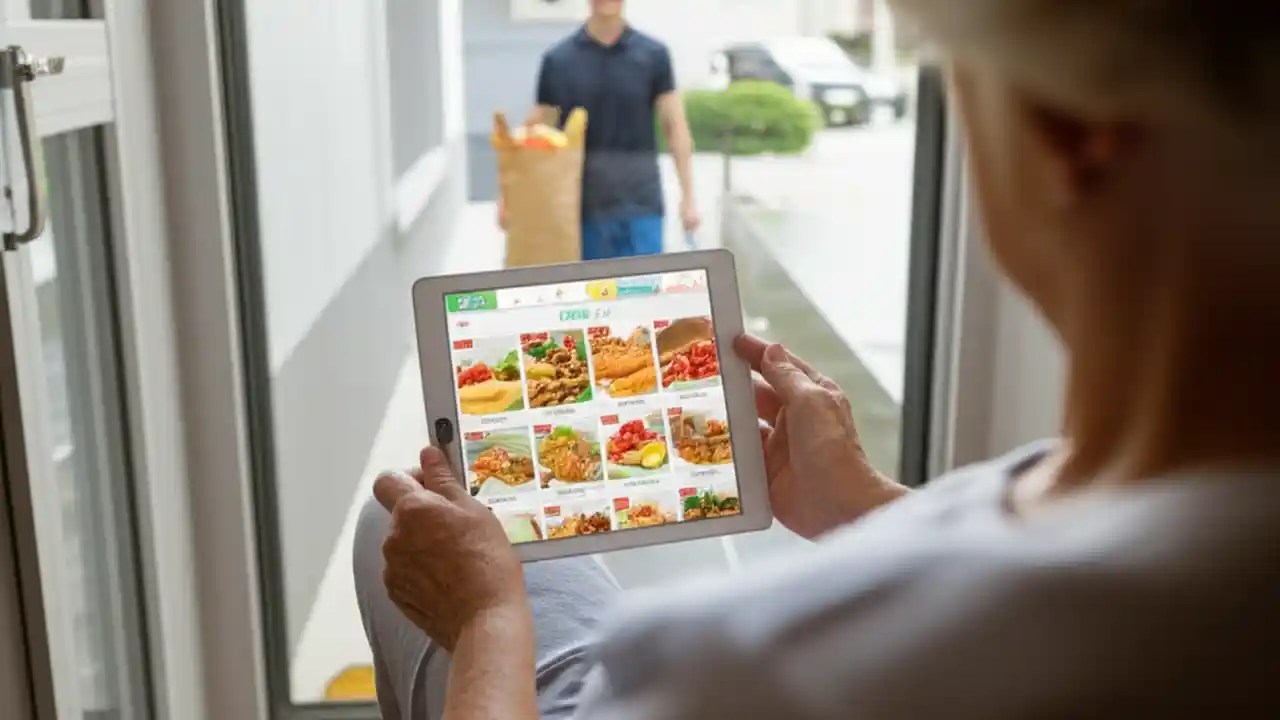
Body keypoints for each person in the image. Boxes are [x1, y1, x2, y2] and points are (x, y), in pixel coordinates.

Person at [357, 2, 1280, 718]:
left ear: (1065, 128)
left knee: (401, 528)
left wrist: (488, 625)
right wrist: (866, 509)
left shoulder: (738, 668)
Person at [499, 0, 700, 260]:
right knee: (591, 287)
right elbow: (533, 136)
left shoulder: (654, 55)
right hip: (580, 210)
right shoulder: (559, 60)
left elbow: (675, 128)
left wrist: (688, 198)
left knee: (645, 286)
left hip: (641, 205)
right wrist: (509, 199)